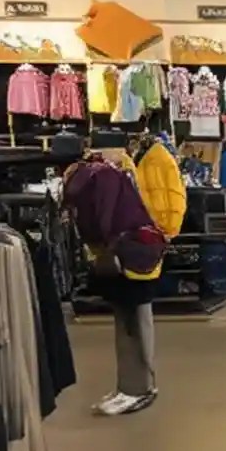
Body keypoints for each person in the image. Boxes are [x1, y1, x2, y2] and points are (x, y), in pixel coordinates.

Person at [63, 140, 185, 416]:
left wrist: (158, 235)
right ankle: (128, 386)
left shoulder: (156, 159)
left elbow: (168, 210)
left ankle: (139, 388)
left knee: (136, 322)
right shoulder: (128, 162)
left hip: (140, 252)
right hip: (130, 250)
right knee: (126, 320)